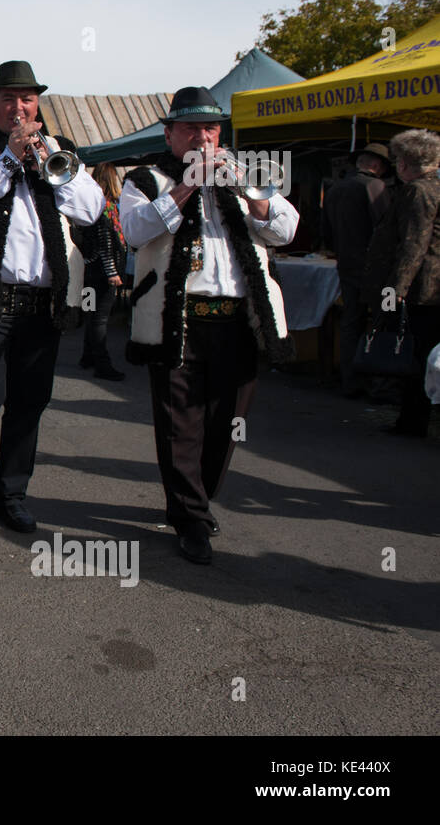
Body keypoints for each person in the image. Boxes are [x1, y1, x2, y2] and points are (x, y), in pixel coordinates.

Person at [120, 87, 297, 564]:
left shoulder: (247, 176)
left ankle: (197, 499)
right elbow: (136, 233)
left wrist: (246, 191)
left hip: (238, 321)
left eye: (212, 129)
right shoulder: (146, 178)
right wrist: (189, 185)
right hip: (177, 320)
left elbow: (285, 231)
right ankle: (189, 517)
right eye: (192, 129)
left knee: (228, 422)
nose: (203, 137)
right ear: (170, 133)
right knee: (181, 424)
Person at [0, 60, 103, 537]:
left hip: (43, 301)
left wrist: (51, 165)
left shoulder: (61, 151)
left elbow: (90, 210)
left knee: (30, 401)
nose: (19, 107)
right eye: (8, 99)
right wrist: (8, 158)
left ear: (38, 104)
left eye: (27, 99)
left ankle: (12, 495)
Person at [363, 129, 440, 438]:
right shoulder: (434, 186)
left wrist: (395, 291)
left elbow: (413, 244)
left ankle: (413, 421)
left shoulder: (418, 191)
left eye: (396, 160)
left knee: (416, 353)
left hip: (425, 287)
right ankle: (415, 417)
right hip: (432, 285)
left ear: (406, 162)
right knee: (425, 353)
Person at [321, 143, 392, 397]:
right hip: (373, 267)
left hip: (346, 263)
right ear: (378, 165)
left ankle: (349, 379)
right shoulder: (374, 187)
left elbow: (326, 235)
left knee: (352, 320)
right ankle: (378, 382)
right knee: (382, 321)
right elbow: (385, 229)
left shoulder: (334, 190)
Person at [78, 162, 129, 381]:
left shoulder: (89, 205)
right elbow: (106, 242)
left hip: (88, 270)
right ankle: (102, 363)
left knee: (90, 314)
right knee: (100, 318)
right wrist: (112, 273)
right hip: (103, 272)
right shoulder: (107, 208)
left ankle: (88, 355)